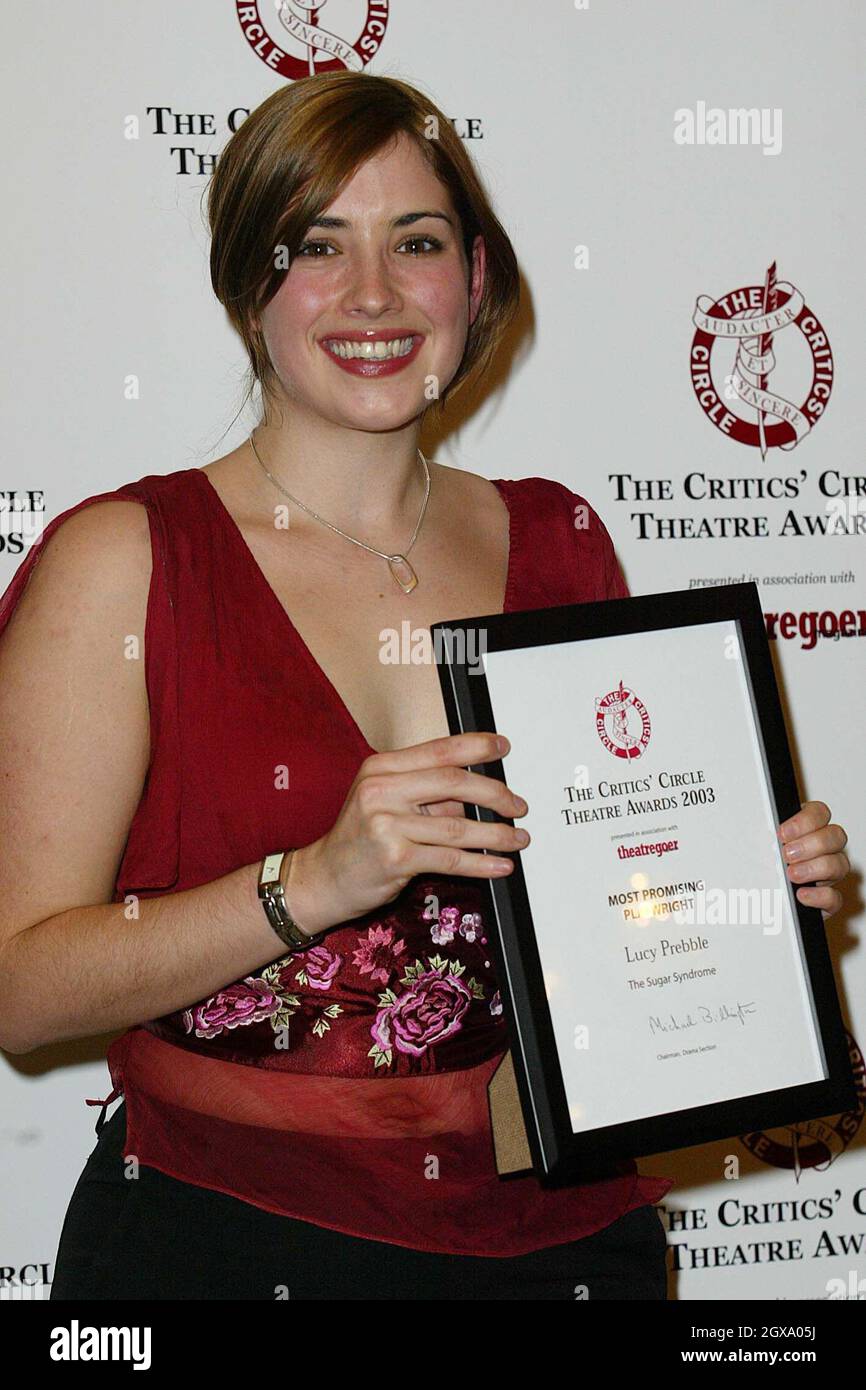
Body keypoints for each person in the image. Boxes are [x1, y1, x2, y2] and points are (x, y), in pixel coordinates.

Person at [0, 71, 851, 1302]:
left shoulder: (560, 539)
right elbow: (21, 989)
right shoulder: (130, 558)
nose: (372, 296)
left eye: (415, 242)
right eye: (317, 247)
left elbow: (604, 924)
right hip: (223, 1242)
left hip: (559, 1239)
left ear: (474, 278)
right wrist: (315, 882)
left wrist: (731, 899)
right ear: (248, 285)